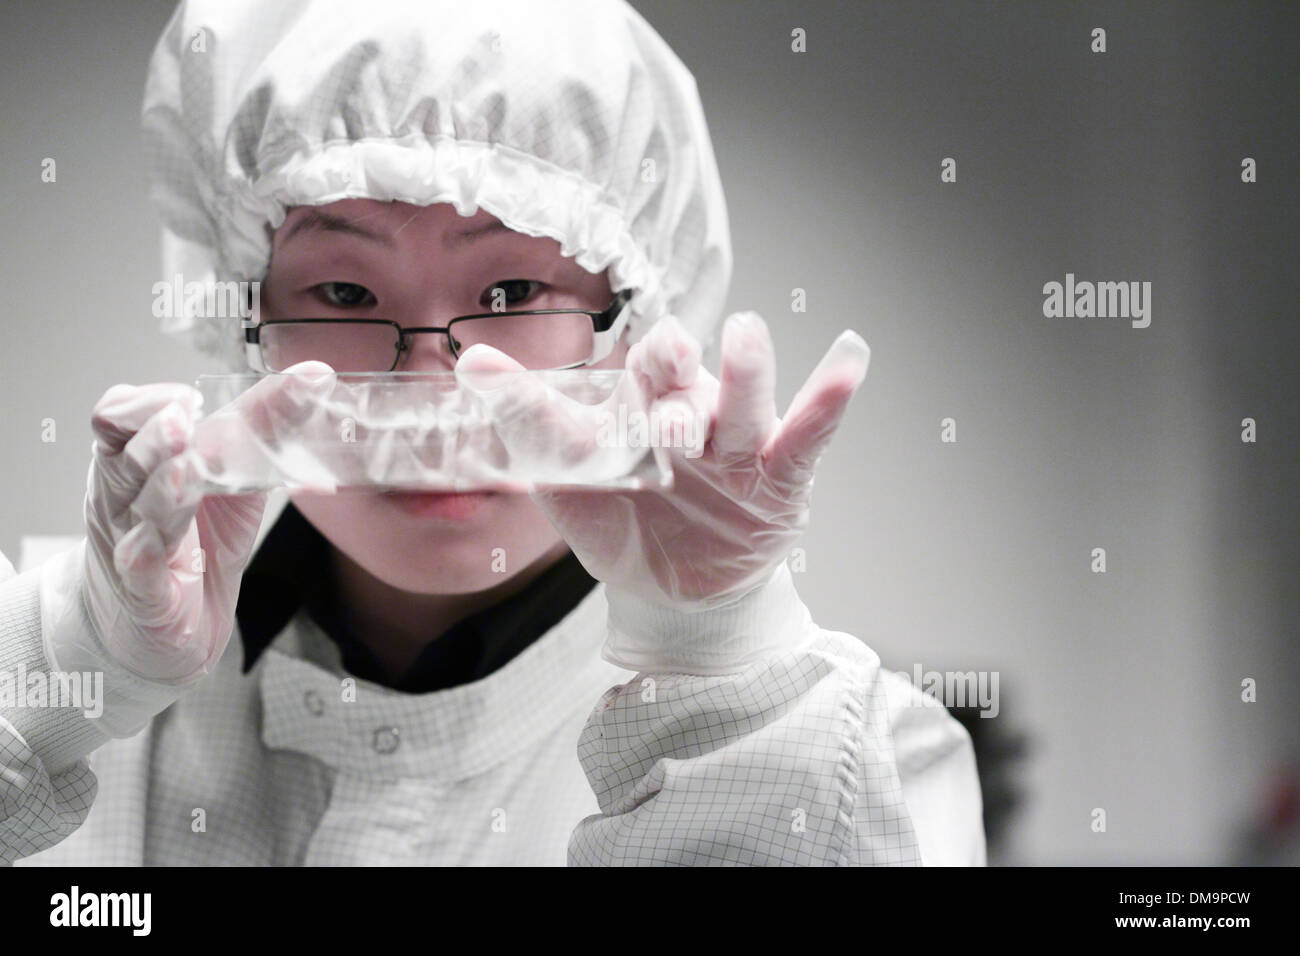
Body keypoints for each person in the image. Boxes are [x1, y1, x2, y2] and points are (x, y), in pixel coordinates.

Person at [0, 0, 985, 865]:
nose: (433, 398)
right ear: (242, 320)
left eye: (512, 291)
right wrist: (73, 673)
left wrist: (715, 657)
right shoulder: (81, 662)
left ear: (634, 321)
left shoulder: (813, 743)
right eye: (344, 291)